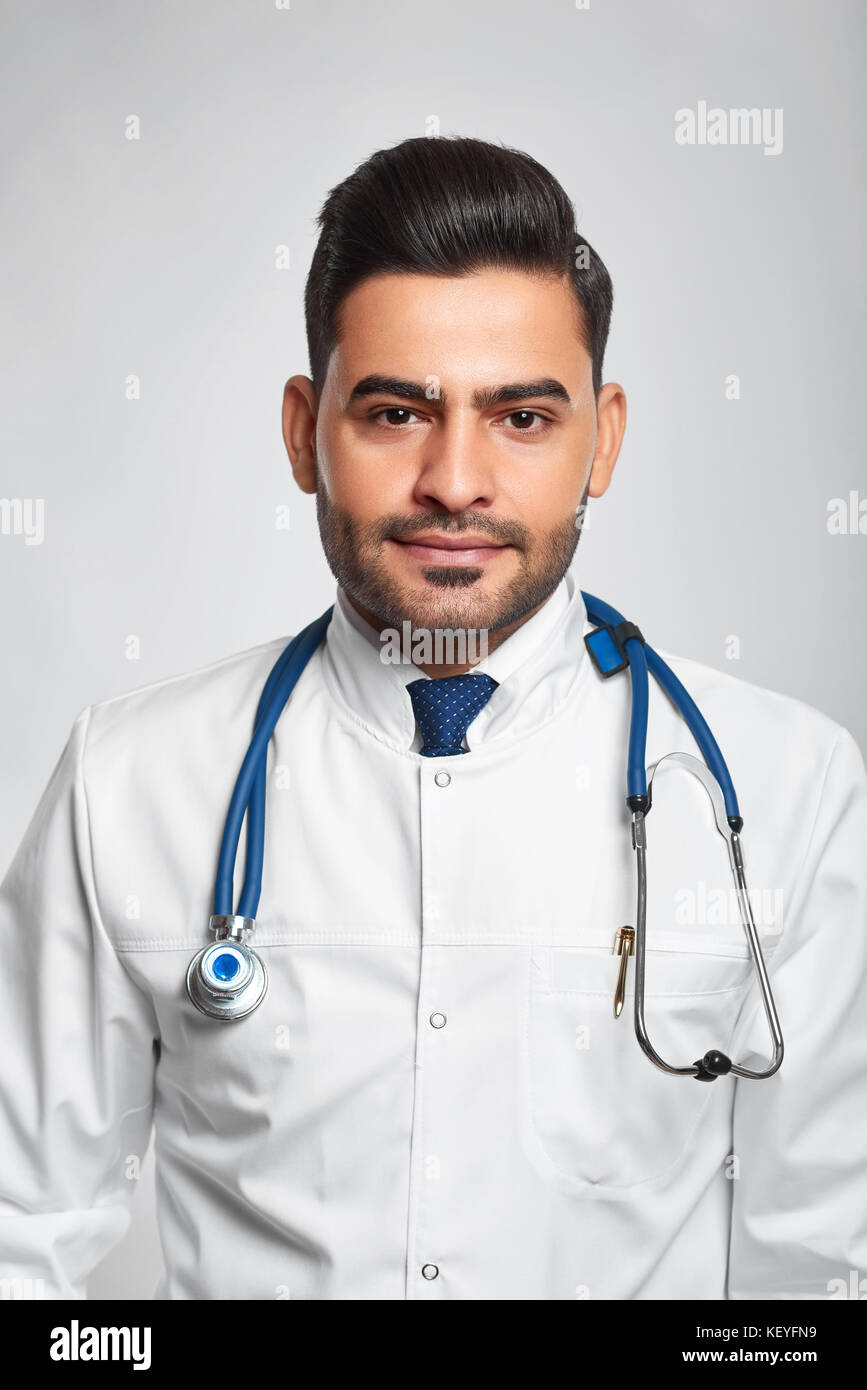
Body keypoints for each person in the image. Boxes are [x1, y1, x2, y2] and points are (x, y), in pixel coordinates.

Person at [1, 135, 865, 1302]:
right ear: (306, 429)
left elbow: (823, 1270)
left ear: (601, 437)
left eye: (521, 418)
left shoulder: (790, 789)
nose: (455, 480)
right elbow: (17, 1232)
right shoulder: (131, 782)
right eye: (399, 412)